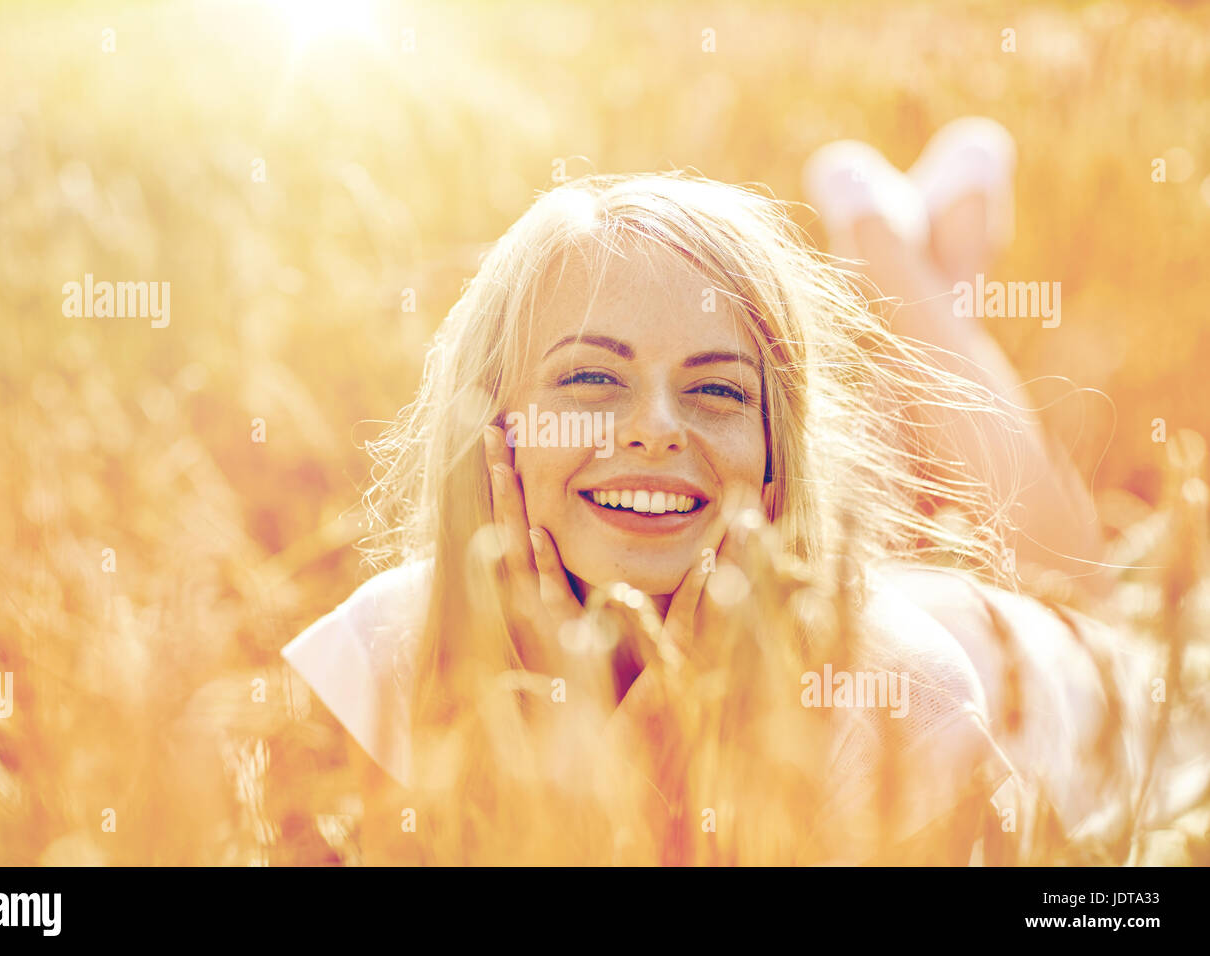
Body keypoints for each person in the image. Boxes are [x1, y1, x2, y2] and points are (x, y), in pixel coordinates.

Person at [282, 120, 1202, 864]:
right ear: (493, 422)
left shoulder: (909, 707)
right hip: (815, 589)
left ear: (776, 460)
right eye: (591, 379)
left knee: (1073, 585)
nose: (655, 427)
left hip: (1023, 678)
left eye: (718, 390)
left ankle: (888, 249)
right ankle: (926, 266)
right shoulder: (382, 657)